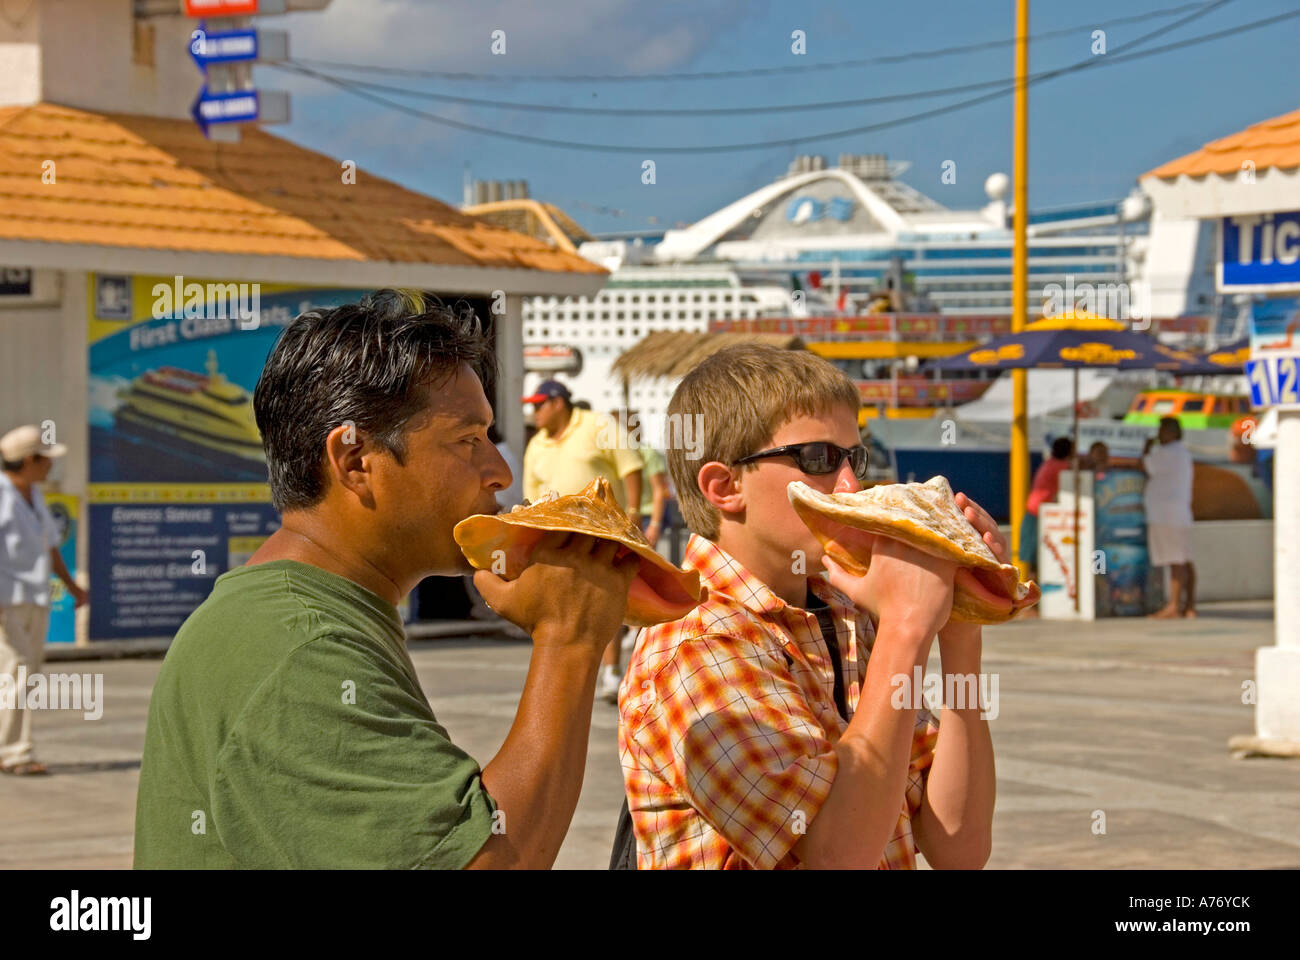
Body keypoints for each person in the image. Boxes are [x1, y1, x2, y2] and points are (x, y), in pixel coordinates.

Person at [134, 290, 640, 868]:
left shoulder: (298, 616)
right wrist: (569, 639)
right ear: (355, 463)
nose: (499, 472)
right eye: (468, 441)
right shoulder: (299, 647)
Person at [614, 344, 998, 869]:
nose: (850, 486)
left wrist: (960, 629)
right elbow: (837, 853)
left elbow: (960, 846)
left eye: (854, 458)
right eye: (818, 459)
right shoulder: (695, 646)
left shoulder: (843, 614)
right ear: (725, 487)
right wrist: (906, 629)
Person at [523, 380, 643, 702]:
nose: (533, 412)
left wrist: (633, 514)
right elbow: (531, 496)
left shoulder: (599, 425)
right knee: (561, 605)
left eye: (538, 405)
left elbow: (631, 466)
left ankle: (612, 671)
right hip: (557, 537)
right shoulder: (536, 444)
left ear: (557, 403)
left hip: (603, 531)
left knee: (607, 598)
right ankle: (571, 672)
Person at [0, 426, 89, 776]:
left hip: (34, 599)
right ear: (29, 460)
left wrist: (72, 587)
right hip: (5, 600)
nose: (51, 466)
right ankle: (14, 752)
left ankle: (10, 747)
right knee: (17, 667)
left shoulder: (33, 496)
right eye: (46, 459)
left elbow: (49, 547)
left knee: (24, 673)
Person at [1142, 417, 1196, 619]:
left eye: (1162, 430)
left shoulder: (1166, 453)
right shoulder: (1182, 453)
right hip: (1179, 513)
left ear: (1172, 432)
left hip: (1166, 514)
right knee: (1184, 559)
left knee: (1176, 561)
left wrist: (1146, 447)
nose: (1159, 434)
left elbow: (1146, 466)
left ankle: (1173, 606)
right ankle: (1189, 606)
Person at [1022, 437, 1073, 575]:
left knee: (1032, 558)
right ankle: (1034, 590)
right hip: (1041, 513)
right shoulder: (1062, 467)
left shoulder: (1049, 463)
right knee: (1040, 555)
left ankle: (1031, 587)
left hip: (1033, 509)